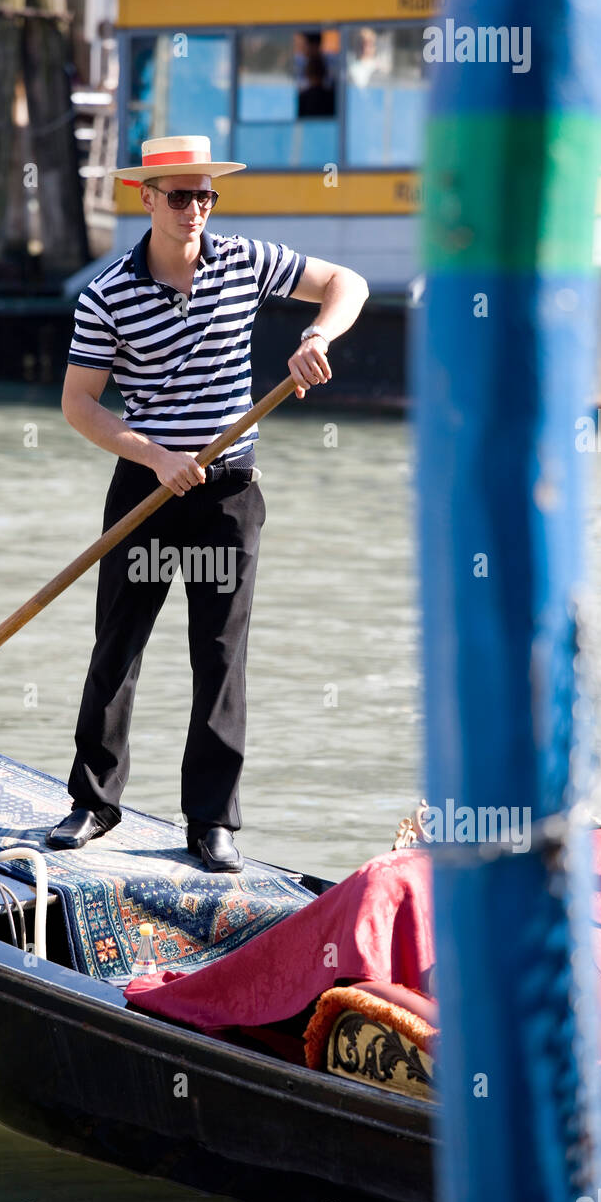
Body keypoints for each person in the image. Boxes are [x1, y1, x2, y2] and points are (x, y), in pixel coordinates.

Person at [48, 134, 368, 871]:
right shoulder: (108, 294)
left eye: (206, 196)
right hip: (147, 489)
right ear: (147, 199)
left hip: (229, 495)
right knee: (118, 646)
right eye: (182, 196)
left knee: (220, 656)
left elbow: (344, 282)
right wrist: (155, 457)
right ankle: (93, 803)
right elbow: (78, 404)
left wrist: (317, 333)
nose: (197, 209)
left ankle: (211, 822)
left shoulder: (245, 261)